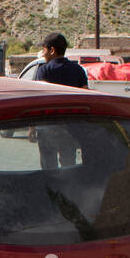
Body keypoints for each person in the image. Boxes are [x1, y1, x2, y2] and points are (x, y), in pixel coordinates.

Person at [32, 33, 88, 169]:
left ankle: (52, 190)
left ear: (52, 50)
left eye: (44, 50)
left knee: (49, 167)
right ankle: (68, 189)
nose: (43, 54)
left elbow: (39, 100)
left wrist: (32, 126)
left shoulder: (43, 71)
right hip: (71, 128)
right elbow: (86, 97)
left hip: (47, 128)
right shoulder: (79, 70)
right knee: (69, 165)